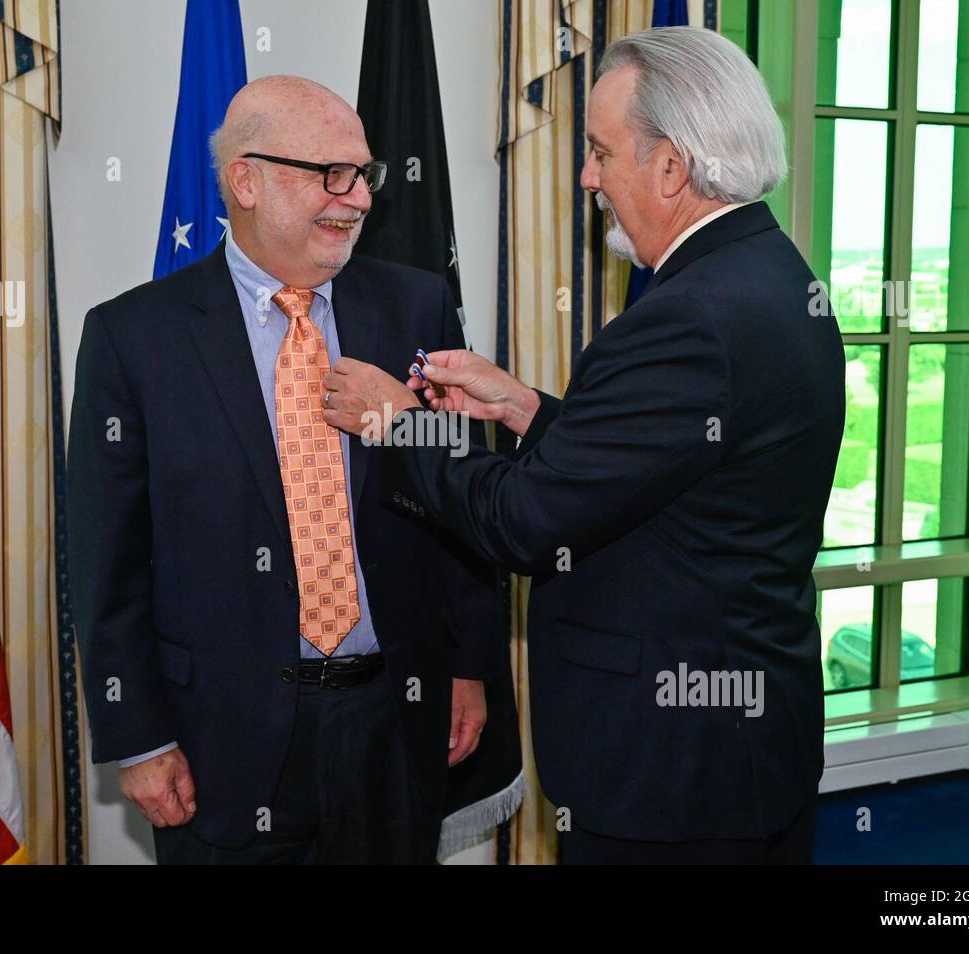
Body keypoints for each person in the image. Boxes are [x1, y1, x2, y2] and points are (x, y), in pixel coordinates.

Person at [321, 27, 846, 864]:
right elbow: (675, 470)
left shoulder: (686, 318)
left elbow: (526, 524)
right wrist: (528, 408)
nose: (587, 176)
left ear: (672, 167)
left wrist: (398, 422)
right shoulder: (774, 276)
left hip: (667, 776)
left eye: (601, 151)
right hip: (742, 750)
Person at [68, 75, 494, 864]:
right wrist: (139, 738)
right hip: (217, 742)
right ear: (246, 180)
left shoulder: (416, 306)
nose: (358, 198)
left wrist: (468, 667)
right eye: (329, 173)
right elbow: (107, 564)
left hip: (393, 718)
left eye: (362, 173)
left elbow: (460, 502)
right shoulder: (135, 339)